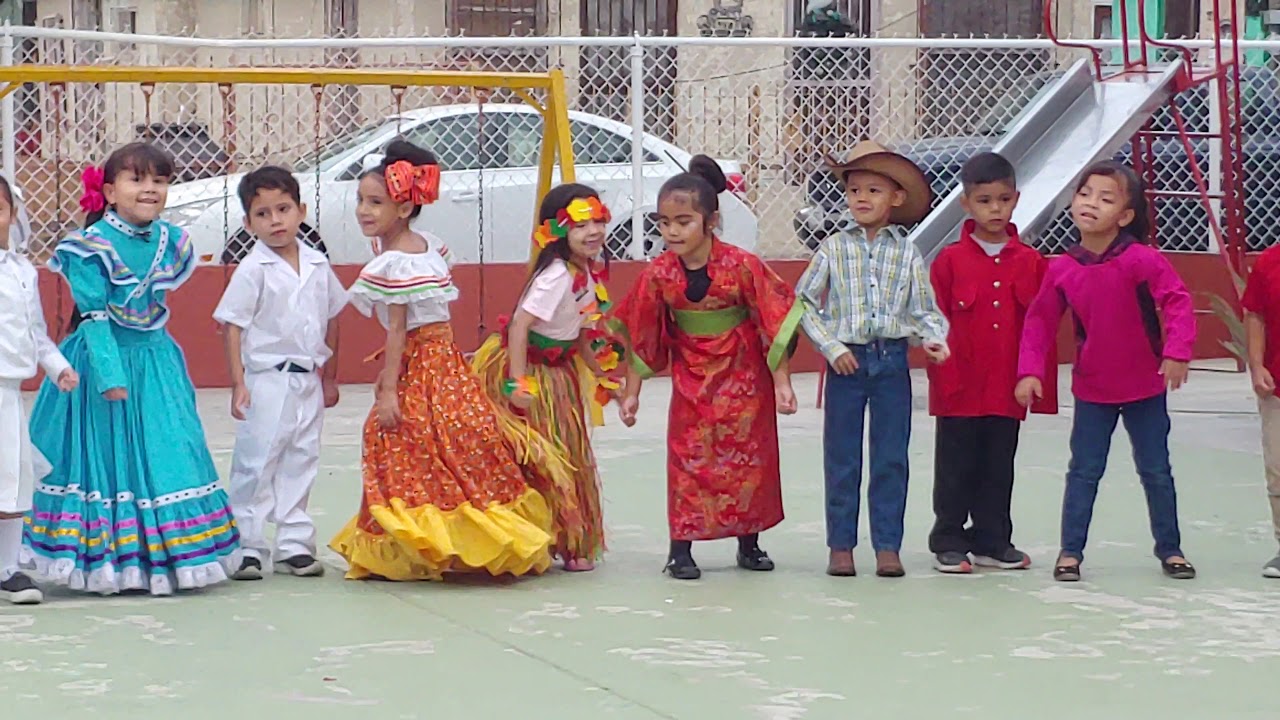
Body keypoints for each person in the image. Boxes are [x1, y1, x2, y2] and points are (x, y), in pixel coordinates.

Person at [329, 139, 553, 581]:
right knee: (441, 445)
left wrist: (390, 388)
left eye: (375, 202)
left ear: (404, 209)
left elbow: (398, 330)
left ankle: (430, 541)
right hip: (442, 360)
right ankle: (445, 539)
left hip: (424, 363)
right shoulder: (427, 246)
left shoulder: (397, 261)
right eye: (360, 201)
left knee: (395, 435)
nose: (363, 211)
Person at [25, 143, 240, 595]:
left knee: (170, 447)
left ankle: (169, 556)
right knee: (105, 459)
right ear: (109, 191)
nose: (149, 189)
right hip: (104, 365)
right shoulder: (89, 246)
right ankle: (112, 562)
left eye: (159, 181)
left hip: (156, 361)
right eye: (136, 180)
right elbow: (96, 316)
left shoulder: (173, 240)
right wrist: (110, 376)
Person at [614, 155, 801, 581]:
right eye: (664, 222)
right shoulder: (658, 274)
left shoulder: (742, 265)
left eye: (683, 221)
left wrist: (783, 382)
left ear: (711, 221)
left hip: (744, 376)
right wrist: (631, 393)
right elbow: (641, 332)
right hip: (691, 381)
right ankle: (680, 548)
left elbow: (772, 319)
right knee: (688, 460)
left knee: (747, 459)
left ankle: (749, 542)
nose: (672, 231)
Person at [1016, 160, 1196, 582]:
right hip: (1092, 391)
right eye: (1085, 194)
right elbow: (1039, 322)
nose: (1091, 204)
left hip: (1145, 387)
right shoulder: (1062, 268)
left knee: (1155, 469)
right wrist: (1029, 371)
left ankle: (1170, 549)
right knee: (1083, 470)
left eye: (1106, 198)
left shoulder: (1141, 260)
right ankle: (1070, 553)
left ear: (1126, 216)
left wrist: (1178, 351)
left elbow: (1177, 301)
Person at [797, 140, 949, 579]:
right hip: (847, 365)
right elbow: (804, 302)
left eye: (873, 191)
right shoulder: (832, 249)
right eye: (854, 190)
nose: (861, 199)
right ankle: (841, 545)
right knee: (842, 457)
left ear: (896, 198)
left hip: (892, 364)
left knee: (890, 457)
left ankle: (888, 545)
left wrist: (934, 338)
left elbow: (922, 309)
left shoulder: (907, 252)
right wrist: (833, 347)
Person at [472, 183, 620, 572]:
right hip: (531, 371)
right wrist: (517, 383)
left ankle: (569, 540)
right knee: (546, 459)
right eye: (580, 226)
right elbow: (520, 324)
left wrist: (604, 378)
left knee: (570, 456)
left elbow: (583, 332)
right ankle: (548, 538)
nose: (593, 232)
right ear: (557, 232)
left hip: (561, 372)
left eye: (598, 222)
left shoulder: (586, 272)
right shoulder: (555, 275)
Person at [213, 166, 347, 581]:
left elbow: (333, 318)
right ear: (248, 222)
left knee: (302, 457)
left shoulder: (318, 264)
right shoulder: (253, 269)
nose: (276, 221)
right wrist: (239, 383)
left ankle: (293, 543)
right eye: (263, 214)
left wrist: (330, 376)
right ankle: (247, 544)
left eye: (283, 209)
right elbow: (232, 324)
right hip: (267, 377)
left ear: (301, 210)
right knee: (258, 460)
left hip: (308, 377)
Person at [926, 152, 1056, 574]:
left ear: (1015, 199)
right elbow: (933, 320)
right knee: (955, 466)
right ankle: (948, 537)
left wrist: (1032, 376)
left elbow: (1039, 325)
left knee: (1000, 465)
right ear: (966, 204)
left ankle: (992, 540)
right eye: (984, 201)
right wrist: (937, 367)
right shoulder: (948, 261)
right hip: (959, 385)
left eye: (1003, 199)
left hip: (1006, 386)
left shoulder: (1031, 262)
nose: (995, 209)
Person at [0, 176, 78, 604]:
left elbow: (36, 333)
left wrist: (57, 366)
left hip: (7, 393)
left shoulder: (22, 273)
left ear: (12, 214)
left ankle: (8, 568)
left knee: (12, 478)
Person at [1241, 236, 1280, 578]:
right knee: (1278, 470)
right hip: (1277, 386)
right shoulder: (1269, 262)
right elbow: (1255, 315)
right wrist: (1256, 365)